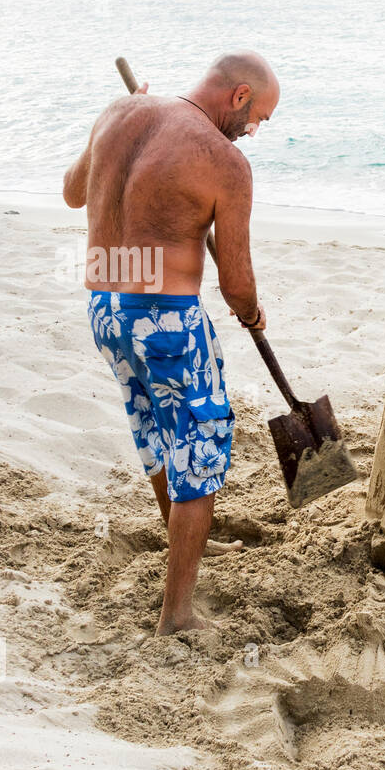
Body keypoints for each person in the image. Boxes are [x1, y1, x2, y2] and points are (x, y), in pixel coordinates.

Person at [64, 51, 279, 634]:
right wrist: (250, 311)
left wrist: (130, 118)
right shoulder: (226, 163)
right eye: (259, 116)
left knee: (159, 433)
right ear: (237, 96)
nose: (255, 131)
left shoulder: (118, 113)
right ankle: (178, 612)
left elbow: (72, 193)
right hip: (164, 316)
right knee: (201, 442)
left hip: (105, 310)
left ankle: (183, 548)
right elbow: (236, 282)